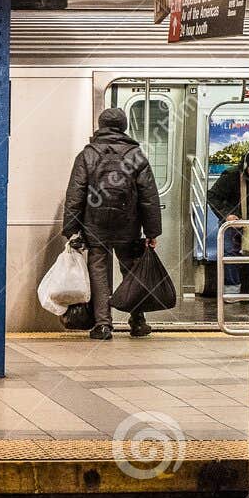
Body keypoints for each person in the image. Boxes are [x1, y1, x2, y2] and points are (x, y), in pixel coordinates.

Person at [61, 107, 163, 341]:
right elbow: (148, 196)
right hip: (128, 225)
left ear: (101, 125)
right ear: (124, 127)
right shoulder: (136, 155)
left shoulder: (87, 154)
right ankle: (137, 322)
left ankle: (103, 325)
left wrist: (71, 230)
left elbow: (75, 194)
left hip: (95, 226)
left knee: (99, 272)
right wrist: (152, 231)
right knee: (133, 272)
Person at [207, 149, 249, 294]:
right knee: (229, 254)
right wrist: (227, 215)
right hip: (233, 224)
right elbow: (212, 196)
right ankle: (231, 291)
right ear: (247, 166)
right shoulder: (231, 175)